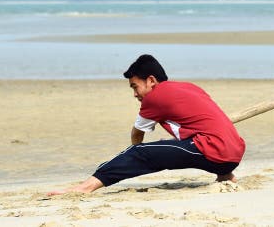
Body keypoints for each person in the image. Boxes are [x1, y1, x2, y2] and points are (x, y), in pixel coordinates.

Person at [50, 54, 245, 194]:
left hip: (215, 150)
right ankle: (225, 176)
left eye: (135, 86)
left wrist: (140, 155)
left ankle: (85, 187)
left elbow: (137, 135)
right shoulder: (189, 87)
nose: (135, 94)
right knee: (177, 144)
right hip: (233, 153)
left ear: (151, 81)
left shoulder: (156, 97)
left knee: (138, 152)